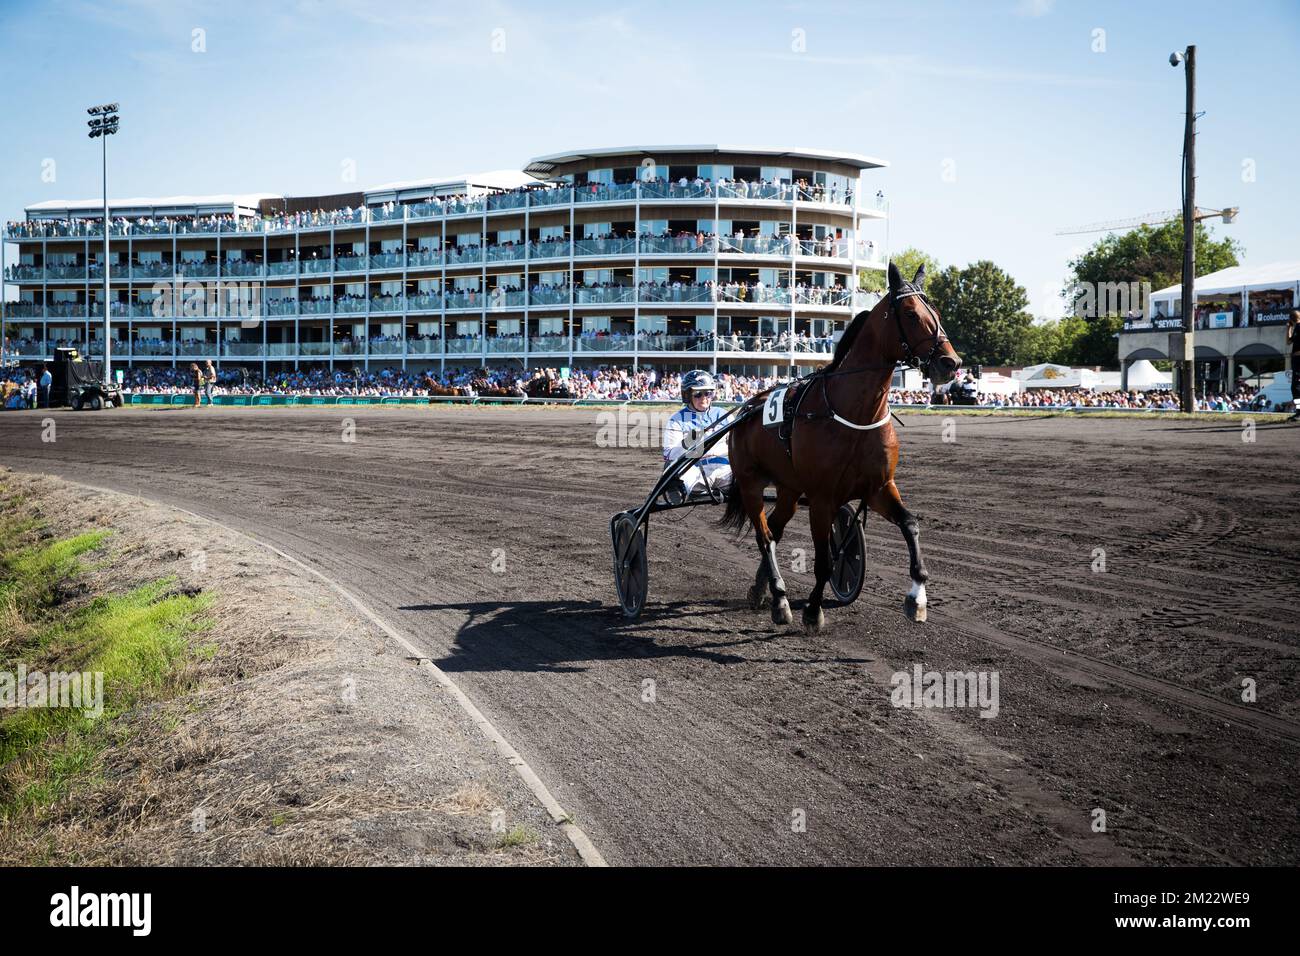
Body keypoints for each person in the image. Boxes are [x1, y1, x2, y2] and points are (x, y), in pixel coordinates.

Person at [662, 370, 732, 503]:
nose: (704, 398)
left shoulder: (724, 415)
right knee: (670, 468)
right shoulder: (677, 419)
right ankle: (677, 489)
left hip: (724, 469)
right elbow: (669, 455)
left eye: (708, 393)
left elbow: (738, 446)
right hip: (694, 471)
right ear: (688, 395)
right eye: (698, 394)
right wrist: (690, 442)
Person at [1289, 310, 1300, 422]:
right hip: (1296, 359)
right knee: (1295, 387)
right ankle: (1298, 412)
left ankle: (1299, 412)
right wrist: (1289, 329)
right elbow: (1288, 342)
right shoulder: (1296, 328)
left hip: (1298, 360)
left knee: (1296, 387)